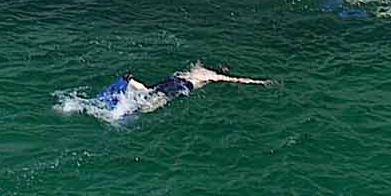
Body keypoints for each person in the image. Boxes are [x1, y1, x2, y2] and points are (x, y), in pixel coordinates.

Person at [89, 65, 274, 120]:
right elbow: (237, 80)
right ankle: (125, 111)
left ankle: (129, 82)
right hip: (181, 87)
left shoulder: (198, 68)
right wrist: (260, 82)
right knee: (154, 104)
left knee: (150, 91)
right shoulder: (212, 76)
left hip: (173, 79)